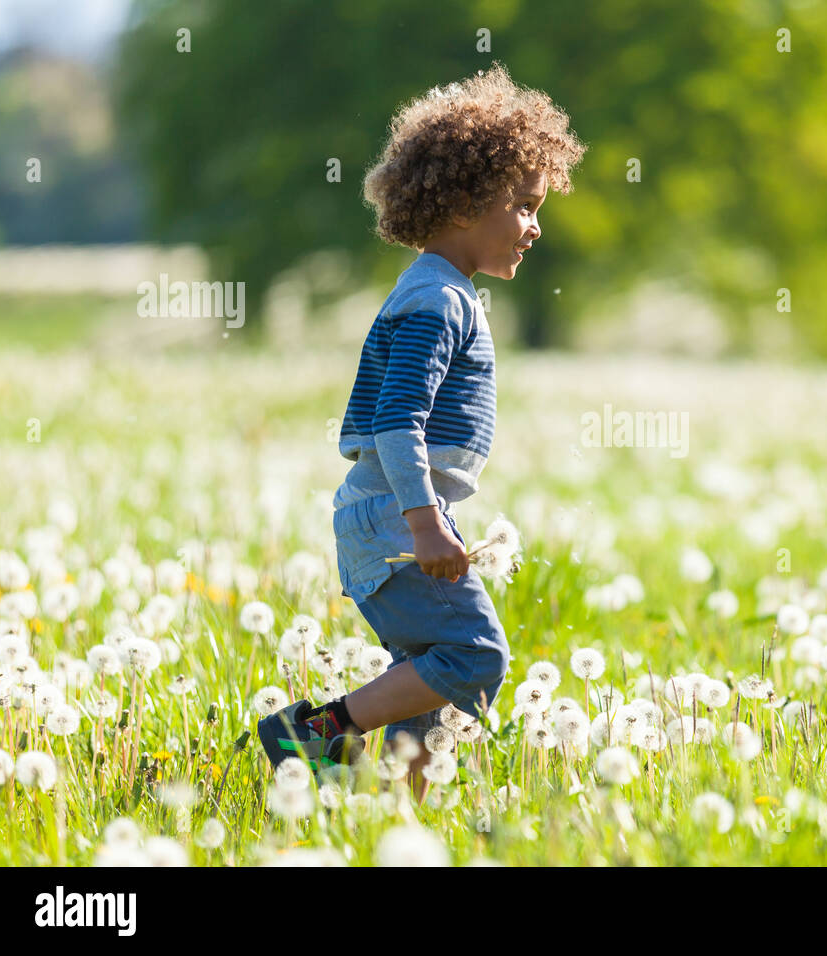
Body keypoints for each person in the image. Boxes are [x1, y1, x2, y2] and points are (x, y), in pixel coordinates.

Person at [258, 61, 587, 803]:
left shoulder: (442, 293)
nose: (536, 226)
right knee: (475, 654)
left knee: (432, 690)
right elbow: (395, 422)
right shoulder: (438, 303)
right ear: (467, 203)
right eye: (526, 206)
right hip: (394, 520)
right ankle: (315, 732)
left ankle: (410, 816)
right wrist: (426, 522)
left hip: (395, 516)